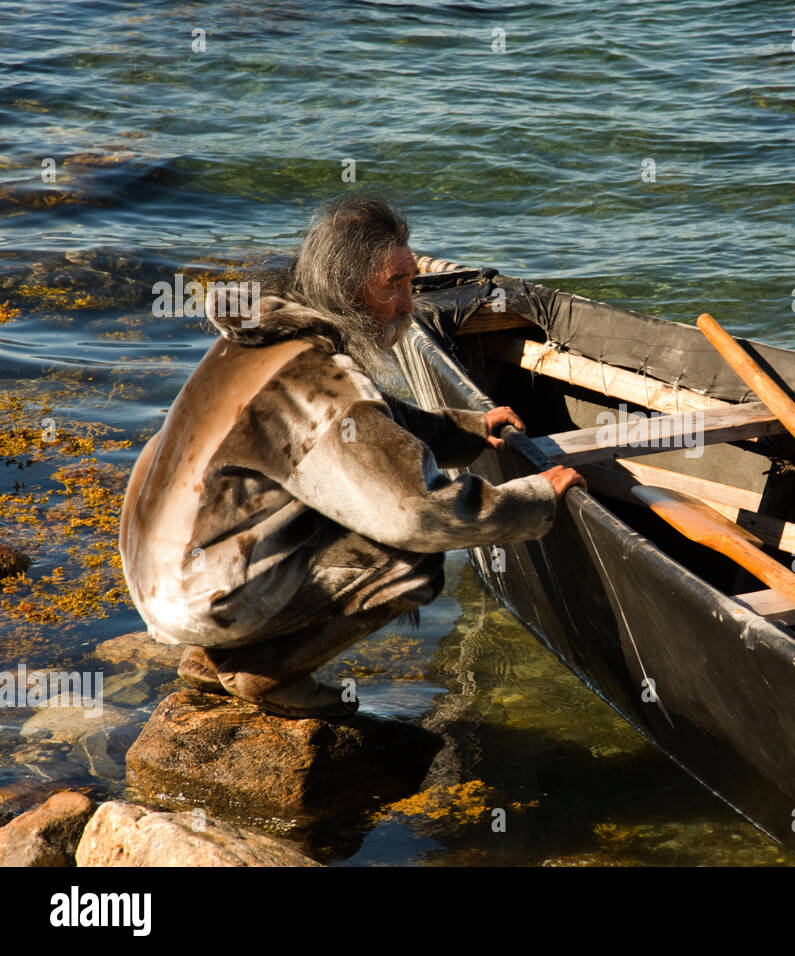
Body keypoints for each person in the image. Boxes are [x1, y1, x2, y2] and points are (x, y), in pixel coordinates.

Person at [119, 196, 584, 719]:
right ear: (346, 289)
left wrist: (470, 429)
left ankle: (209, 662)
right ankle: (267, 672)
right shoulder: (321, 377)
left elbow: (373, 428)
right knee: (411, 553)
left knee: (357, 496)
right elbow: (414, 513)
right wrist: (532, 498)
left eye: (411, 283)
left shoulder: (259, 339)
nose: (410, 305)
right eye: (395, 285)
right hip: (200, 596)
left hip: (160, 578)